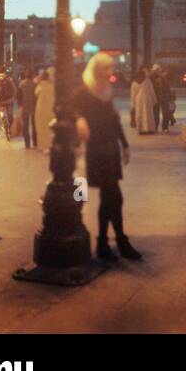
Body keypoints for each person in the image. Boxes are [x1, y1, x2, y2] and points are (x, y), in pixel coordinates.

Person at [74, 54, 139, 261]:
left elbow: (114, 120)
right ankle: (117, 241)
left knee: (110, 198)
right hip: (94, 152)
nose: (110, 73)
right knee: (111, 197)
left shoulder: (105, 92)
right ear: (95, 69)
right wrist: (79, 119)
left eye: (111, 68)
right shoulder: (84, 91)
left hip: (110, 150)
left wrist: (125, 145)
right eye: (105, 68)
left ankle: (107, 242)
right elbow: (67, 110)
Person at [131, 68, 157, 134]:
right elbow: (152, 91)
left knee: (140, 115)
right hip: (147, 100)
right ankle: (149, 129)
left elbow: (133, 95)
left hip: (138, 101)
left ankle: (141, 130)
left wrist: (133, 105)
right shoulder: (147, 80)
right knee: (148, 115)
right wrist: (154, 101)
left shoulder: (134, 82)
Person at [34, 68, 55, 150]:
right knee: (51, 128)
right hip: (51, 109)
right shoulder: (55, 86)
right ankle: (51, 145)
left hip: (42, 108)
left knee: (42, 128)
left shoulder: (42, 84)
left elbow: (36, 93)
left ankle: (45, 146)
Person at [0, 68, 15, 139]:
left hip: (0, 101)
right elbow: (14, 89)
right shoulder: (9, 78)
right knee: (10, 115)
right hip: (9, 100)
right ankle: (11, 132)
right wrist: (12, 97)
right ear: (5, 71)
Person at [18, 70, 37, 149]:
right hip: (34, 107)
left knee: (25, 125)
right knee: (34, 125)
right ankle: (35, 142)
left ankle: (27, 143)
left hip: (24, 106)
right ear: (32, 76)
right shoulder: (35, 84)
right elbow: (36, 96)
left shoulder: (21, 84)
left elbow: (19, 96)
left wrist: (20, 105)